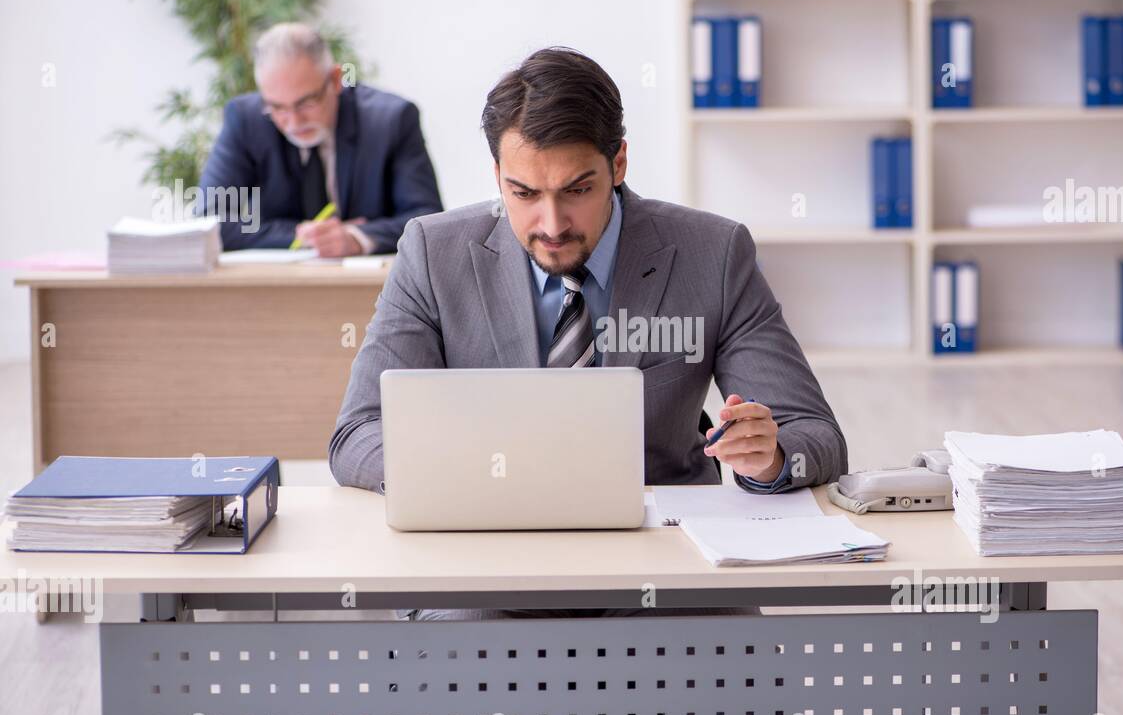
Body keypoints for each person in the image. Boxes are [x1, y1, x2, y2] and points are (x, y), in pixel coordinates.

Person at [329, 47, 849, 620]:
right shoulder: (432, 251)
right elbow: (357, 434)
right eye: (524, 194)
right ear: (497, 176)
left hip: (663, 572)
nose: (551, 226)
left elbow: (816, 435)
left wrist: (771, 457)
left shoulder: (713, 253)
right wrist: (456, 471)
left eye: (577, 190)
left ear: (618, 163)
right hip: (485, 566)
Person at [200, 22, 443, 256]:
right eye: (277, 107)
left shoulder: (391, 120)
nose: (294, 122)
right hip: (275, 284)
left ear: (336, 79)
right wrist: (306, 236)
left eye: (306, 103)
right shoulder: (245, 120)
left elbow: (428, 220)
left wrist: (356, 237)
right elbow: (209, 220)